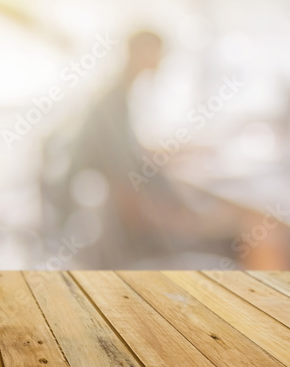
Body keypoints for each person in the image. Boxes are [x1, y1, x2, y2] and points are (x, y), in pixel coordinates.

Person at [54, 30, 199, 267]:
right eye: (158, 53)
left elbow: (127, 153)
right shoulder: (113, 102)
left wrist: (173, 152)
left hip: (112, 223)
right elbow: (124, 191)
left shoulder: (117, 94)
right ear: (138, 53)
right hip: (125, 238)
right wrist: (184, 223)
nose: (162, 60)